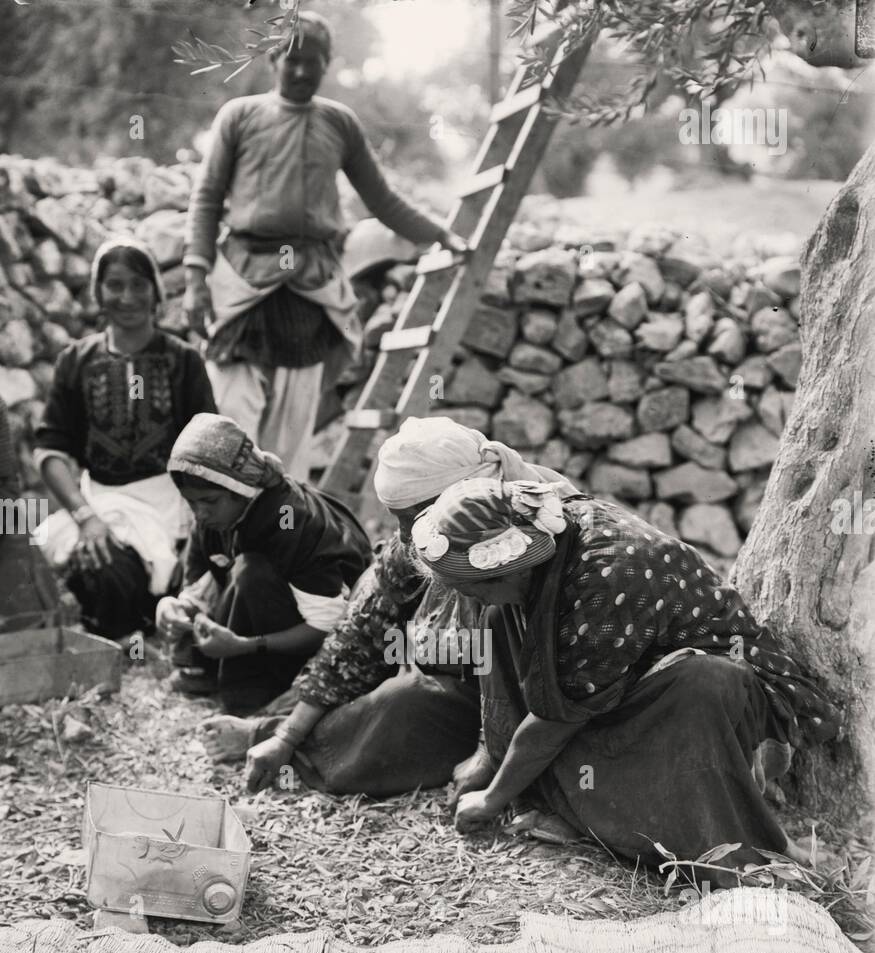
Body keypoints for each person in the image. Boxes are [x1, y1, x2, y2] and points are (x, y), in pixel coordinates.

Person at [407, 477, 842, 879]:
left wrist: (492, 799)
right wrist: (492, 757)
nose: (468, 597)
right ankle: (576, 802)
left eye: (473, 587)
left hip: (721, 703)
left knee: (704, 682)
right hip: (629, 672)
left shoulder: (605, 578)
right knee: (499, 618)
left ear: (516, 568)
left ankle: (720, 839)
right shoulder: (551, 537)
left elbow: (553, 724)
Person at [201, 416, 577, 796]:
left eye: (413, 518)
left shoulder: (537, 530)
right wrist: (288, 734)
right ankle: (282, 734)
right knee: (374, 656)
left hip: (507, 700)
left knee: (406, 703)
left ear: (460, 497)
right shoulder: (417, 538)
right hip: (437, 666)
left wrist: (489, 753)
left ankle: (289, 744)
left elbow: (544, 678)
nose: (406, 536)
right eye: (399, 521)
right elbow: (359, 636)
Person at [182, 10, 466, 482]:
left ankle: (279, 522)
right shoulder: (239, 115)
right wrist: (196, 278)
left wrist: (440, 235)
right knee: (229, 426)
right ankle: (223, 516)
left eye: (311, 61)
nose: (300, 70)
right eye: (290, 59)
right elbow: (206, 198)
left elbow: (382, 199)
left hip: (309, 283)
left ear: (326, 65)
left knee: (290, 436)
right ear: (272, 60)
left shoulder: (339, 123)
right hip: (244, 280)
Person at [34, 237, 216, 641]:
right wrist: (86, 517)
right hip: (100, 505)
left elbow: (207, 449)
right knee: (88, 562)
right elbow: (49, 451)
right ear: (98, 292)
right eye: (114, 285)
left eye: (138, 284)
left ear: (156, 291)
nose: (127, 297)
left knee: (140, 575)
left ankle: (146, 617)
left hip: (170, 508)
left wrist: (201, 527)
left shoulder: (184, 360)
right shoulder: (75, 361)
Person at [158, 413, 371, 715]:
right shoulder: (212, 519)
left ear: (240, 489)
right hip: (271, 622)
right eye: (192, 502)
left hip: (331, 642)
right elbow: (202, 580)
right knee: (241, 572)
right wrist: (173, 608)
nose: (200, 513)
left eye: (209, 502)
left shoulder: (292, 521)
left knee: (250, 571)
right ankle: (208, 671)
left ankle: (262, 691)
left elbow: (328, 627)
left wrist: (245, 645)